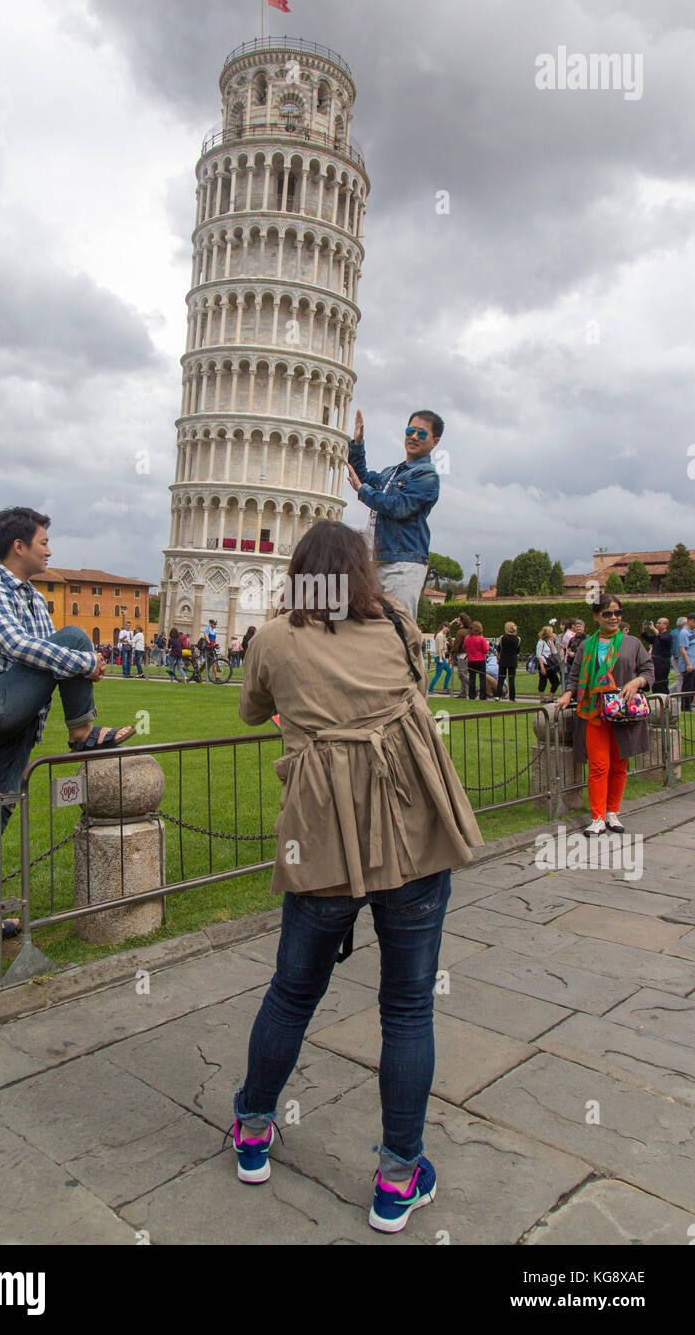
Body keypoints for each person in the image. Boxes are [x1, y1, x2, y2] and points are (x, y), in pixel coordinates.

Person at [233, 519, 483, 1232]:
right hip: (410, 832)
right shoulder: (396, 625)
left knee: (291, 993)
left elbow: (252, 711)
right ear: (363, 572)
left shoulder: (274, 637)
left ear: (299, 573)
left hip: (323, 839)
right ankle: (397, 1176)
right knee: (406, 1008)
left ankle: (253, 1131)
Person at [0, 507, 136, 938]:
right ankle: (81, 733)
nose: (50, 551)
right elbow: (22, 648)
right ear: (18, 547)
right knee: (74, 637)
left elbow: (50, 666)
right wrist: (85, 661)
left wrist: (76, 666)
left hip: (17, 718)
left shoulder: (35, 598)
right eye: (43, 543)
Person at [556, 594, 654, 836]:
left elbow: (649, 671)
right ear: (596, 616)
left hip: (623, 713)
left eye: (617, 613)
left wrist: (637, 682)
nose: (614, 618)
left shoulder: (632, 643)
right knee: (599, 767)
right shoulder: (586, 645)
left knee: (619, 766)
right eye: (608, 613)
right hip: (594, 713)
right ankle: (597, 817)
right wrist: (568, 694)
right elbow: (576, 675)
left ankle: (613, 812)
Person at [346, 408, 443, 618]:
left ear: (434, 442)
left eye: (422, 433)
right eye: (411, 430)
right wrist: (357, 444)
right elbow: (360, 476)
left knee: (400, 627)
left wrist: (363, 490)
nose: (414, 437)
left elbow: (398, 507)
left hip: (403, 563)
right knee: (374, 627)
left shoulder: (427, 476)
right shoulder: (392, 472)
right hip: (378, 558)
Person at [643, 618, 672, 695]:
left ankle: (664, 698)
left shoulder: (667, 635)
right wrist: (644, 628)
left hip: (662, 662)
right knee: (655, 682)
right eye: (657, 623)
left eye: (659, 623)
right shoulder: (656, 636)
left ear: (665, 625)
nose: (656, 625)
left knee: (661, 682)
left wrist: (653, 628)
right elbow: (646, 637)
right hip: (655, 661)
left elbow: (662, 638)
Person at [496, 621, 521, 701]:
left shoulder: (502, 638)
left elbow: (499, 649)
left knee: (501, 679)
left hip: (503, 659)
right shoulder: (517, 639)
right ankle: (512, 697)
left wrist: (497, 658)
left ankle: (498, 695)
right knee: (511, 680)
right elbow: (517, 651)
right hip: (512, 660)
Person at [463, 621, 488, 700]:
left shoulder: (467, 638)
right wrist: (487, 644)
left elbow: (464, 647)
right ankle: (483, 695)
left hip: (471, 661)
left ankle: (471, 695)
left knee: (472, 678)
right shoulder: (481, 638)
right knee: (482, 678)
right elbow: (485, 650)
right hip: (480, 660)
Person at [536, 625, 561, 701]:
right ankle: (542, 698)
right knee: (543, 681)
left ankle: (550, 698)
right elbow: (539, 655)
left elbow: (554, 652)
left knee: (555, 681)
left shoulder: (550, 642)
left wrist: (552, 641)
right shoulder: (541, 642)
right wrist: (542, 667)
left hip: (550, 664)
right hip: (543, 664)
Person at [449, 613, 471, 697]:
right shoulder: (469, 631)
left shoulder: (460, 632)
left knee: (461, 674)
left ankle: (474, 687)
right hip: (468, 655)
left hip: (462, 655)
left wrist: (451, 653)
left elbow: (456, 646)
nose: (457, 621)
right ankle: (463, 692)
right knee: (464, 674)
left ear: (462, 621)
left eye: (458, 619)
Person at [677, 613, 695, 712]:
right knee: (688, 686)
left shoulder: (692, 632)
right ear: (690, 620)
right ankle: (685, 707)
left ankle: (689, 705)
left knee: (693, 686)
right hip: (688, 665)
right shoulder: (684, 633)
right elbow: (682, 649)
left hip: (693, 663)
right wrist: (688, 664)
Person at [427, 622, 451, 693]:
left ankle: (445, 687)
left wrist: (453, 621)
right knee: (438, 674)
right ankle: (430, 689)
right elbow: (440, 649)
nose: (448, 630)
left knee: (449, 671)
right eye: (447, 628)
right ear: (444, 626)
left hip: (441, 657)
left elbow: (448, 626)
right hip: (439, 657)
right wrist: (440, 658)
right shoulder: (440, 636)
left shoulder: (442, 634)